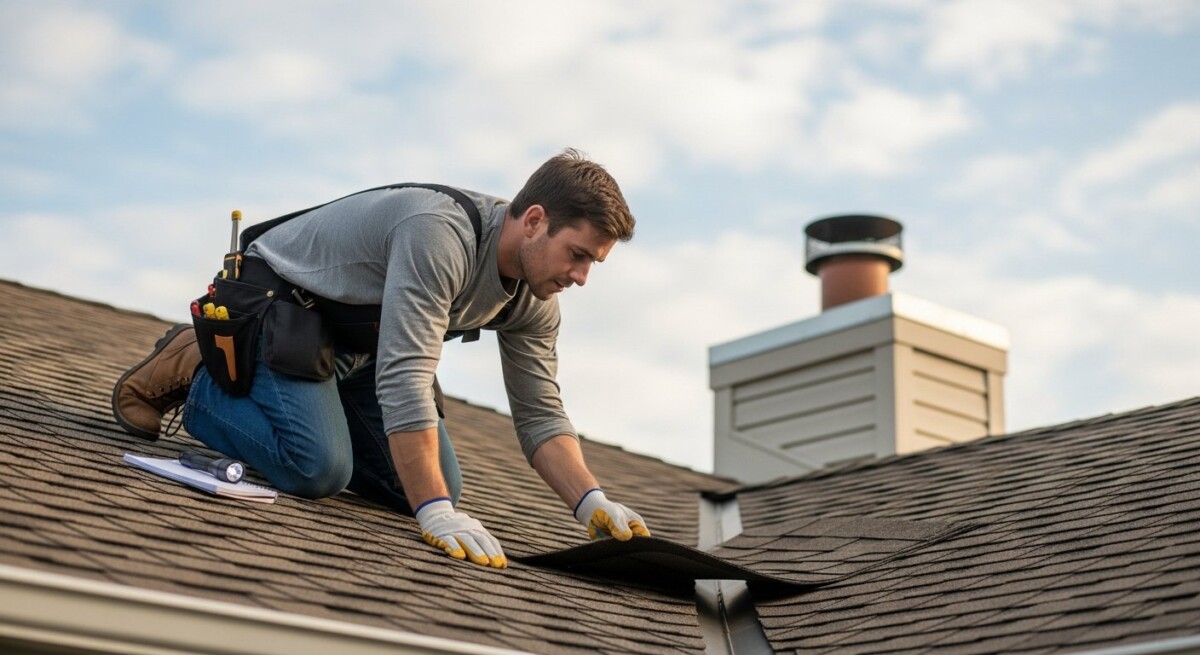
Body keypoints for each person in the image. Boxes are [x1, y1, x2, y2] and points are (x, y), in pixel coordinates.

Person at [111, 149, 650, 569]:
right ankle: (196, 370)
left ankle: (320, 409)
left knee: (434, 486)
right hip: (286, 308)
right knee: (319, 469)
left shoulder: (537, 297)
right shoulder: (440, 235)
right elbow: (407, 375)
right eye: (577, 255)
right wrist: (433, 512)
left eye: (593, 264)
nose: (581, 277)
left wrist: (591, 502)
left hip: (362, 346)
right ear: (534, 220)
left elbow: (540, 414)